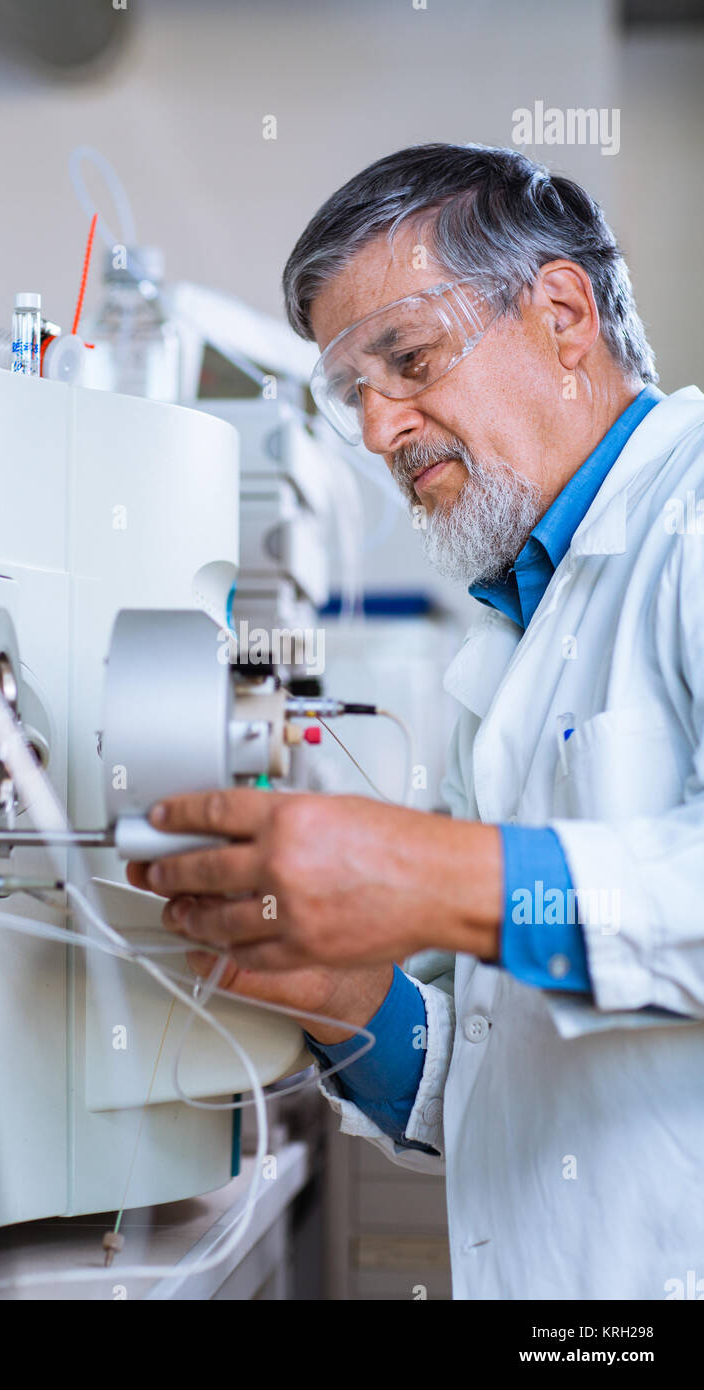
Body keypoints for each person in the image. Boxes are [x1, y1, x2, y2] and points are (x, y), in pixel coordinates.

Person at [127, 145, 704, 1300]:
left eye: (408, 358)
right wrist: (344, 1007)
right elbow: (522, 1090)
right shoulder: (516, 630)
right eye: (353, 395)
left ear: (560, 313)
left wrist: (441, 877)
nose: (384, 427)